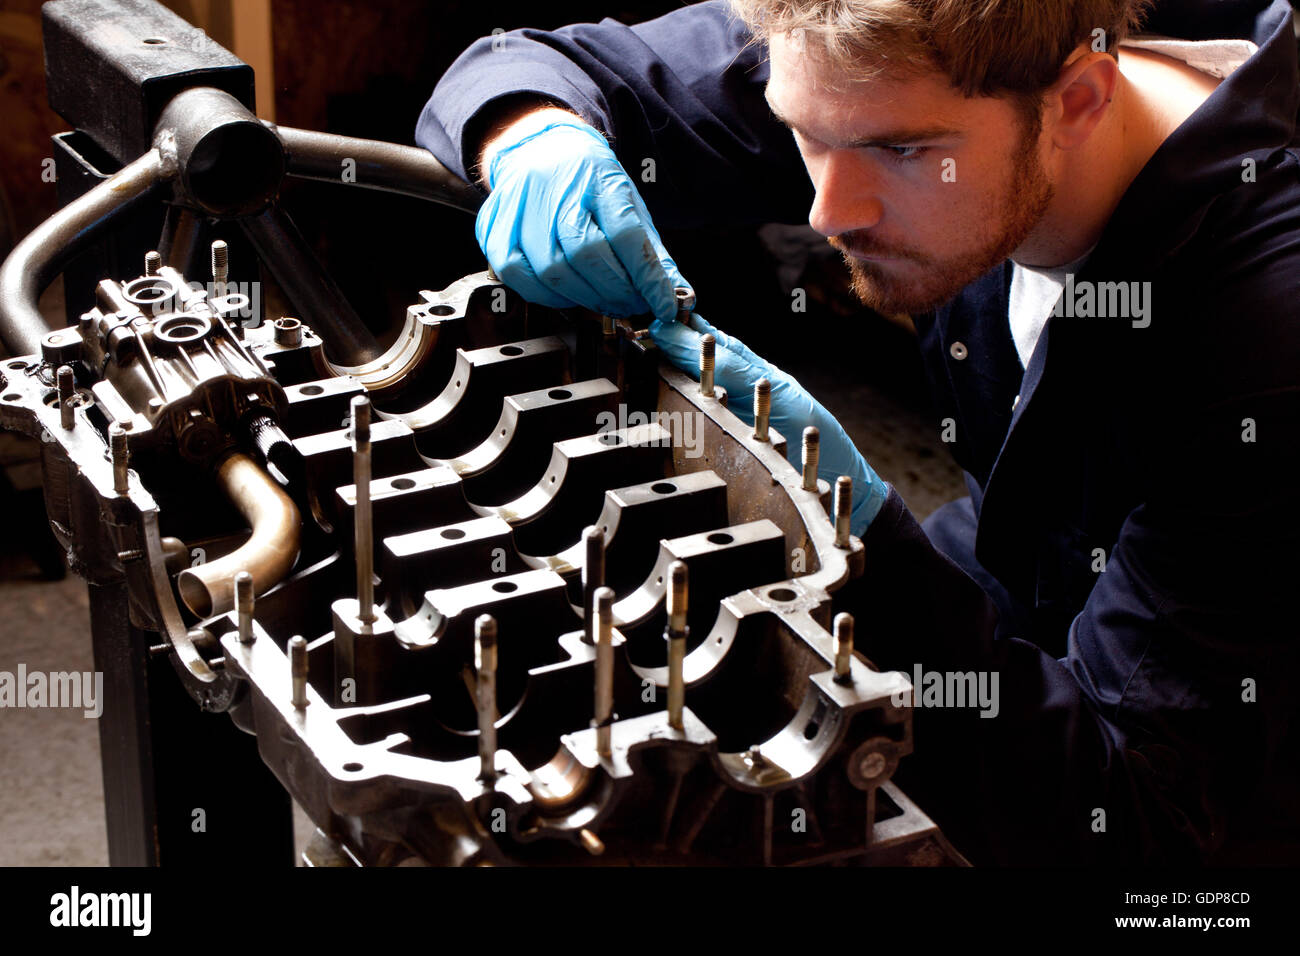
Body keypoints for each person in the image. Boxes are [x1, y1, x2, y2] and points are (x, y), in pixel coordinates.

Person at [415, 0, 1300, 864]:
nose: (828, 214)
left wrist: (857, 535)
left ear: (1076, 101)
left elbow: (1147, 822)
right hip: (1026, 581)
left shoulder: (1263, 335)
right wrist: (535, 137)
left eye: (901, 151)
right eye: (805, 133)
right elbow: (528, 62)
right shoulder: (877, 68)